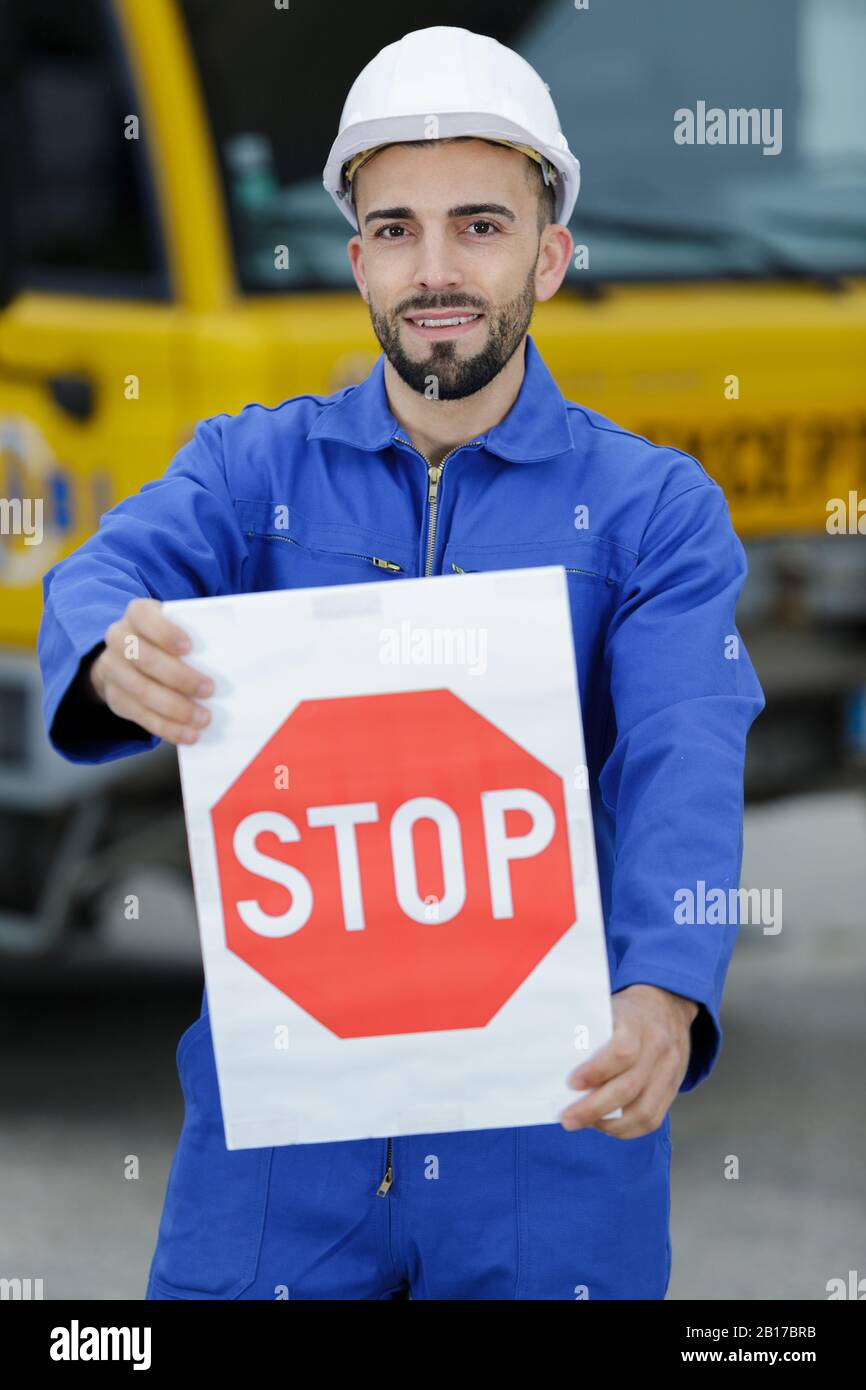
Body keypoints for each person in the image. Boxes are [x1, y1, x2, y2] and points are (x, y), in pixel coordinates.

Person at [38, 26, 765, 1299]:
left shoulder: (652, 510)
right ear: (356, 257)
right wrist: (105, 652)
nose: (435, 269)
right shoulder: (246, 468)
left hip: (547, 1124)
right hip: (282, 1134)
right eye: (395, 228)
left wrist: (662, 990)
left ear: (548, 252)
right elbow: (98, 576)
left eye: (478, 226)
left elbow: (681, 755)